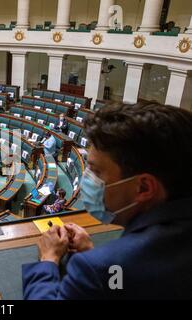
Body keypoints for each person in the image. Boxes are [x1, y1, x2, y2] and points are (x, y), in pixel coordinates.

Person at [22, 102, 192, 300]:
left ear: (144, 188)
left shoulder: (97, 267)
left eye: (96, 171)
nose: (88, 179)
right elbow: (121, 286)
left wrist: (48, 260)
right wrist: (97, 256)